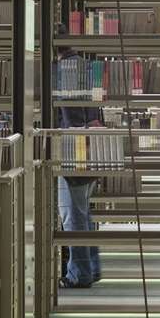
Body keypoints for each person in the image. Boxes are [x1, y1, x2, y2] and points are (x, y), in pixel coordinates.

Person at [54, 55, 104, 289]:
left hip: (71, 152)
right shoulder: (83, 68)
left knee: (72, 215)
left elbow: (69, 118)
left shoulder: (65, 71)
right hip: (88, 151)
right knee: (82, 213)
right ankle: (90, 268)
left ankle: (79, 273)